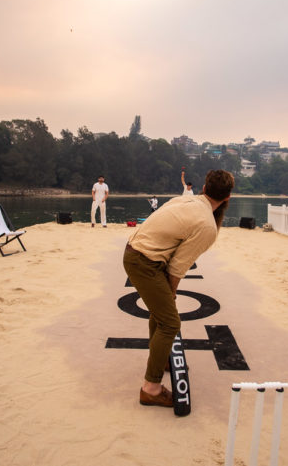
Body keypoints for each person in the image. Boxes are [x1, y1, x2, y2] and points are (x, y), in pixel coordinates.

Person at [123, 170, 235, 408]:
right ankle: (150, 388)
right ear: (228, 198)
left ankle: (160, 359)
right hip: (145, 262)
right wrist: (171, 291)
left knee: (161, 313)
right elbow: (178, 266)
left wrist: (167, 292)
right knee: (170, 323)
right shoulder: (207, 225)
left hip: (136, 251)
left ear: (204, 189)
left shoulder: (186, 199)